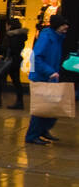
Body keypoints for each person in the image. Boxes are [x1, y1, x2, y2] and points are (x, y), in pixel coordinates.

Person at [25, 14, 70, 145]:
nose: (66, 27)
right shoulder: (47, 37)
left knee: (51, 107)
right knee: (41, 109)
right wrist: (50, 72)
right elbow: (36, 57)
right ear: (57, 26)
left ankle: (43, 131)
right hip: (41, 77)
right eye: (63, 25)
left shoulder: (57, 37)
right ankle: (32, 136)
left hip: (50, 77)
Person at [0, 17, 27, 109]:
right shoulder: (21, 36)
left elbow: (6, 48)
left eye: (6, 25)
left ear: (9, 25)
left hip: (7, 61)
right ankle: (20, 102)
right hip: (16, 60)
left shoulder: (10, 35)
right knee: (16, 81)